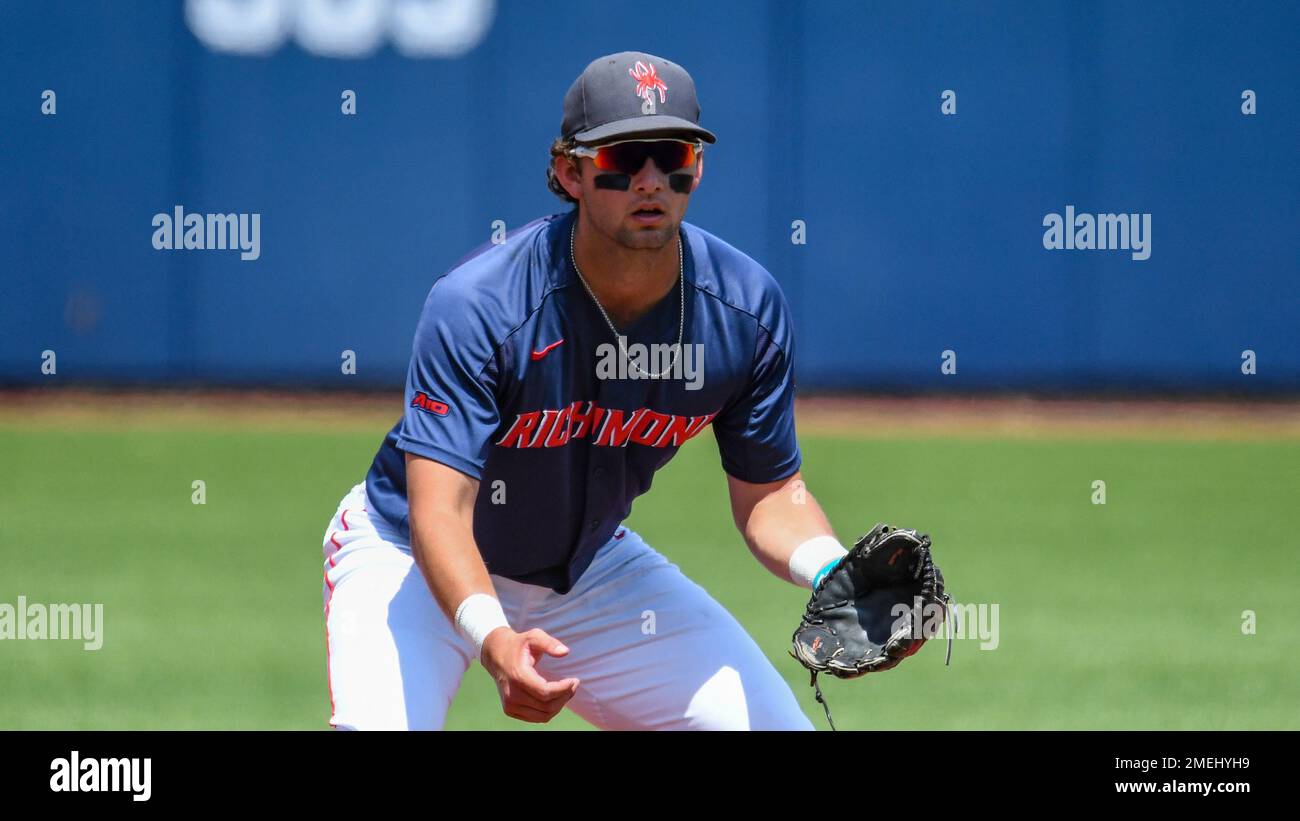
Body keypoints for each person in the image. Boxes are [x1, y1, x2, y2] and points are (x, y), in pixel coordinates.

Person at [321, 51, 851, 730]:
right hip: (412, 560)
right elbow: (439, 513)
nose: (651, 179)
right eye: (623, 157)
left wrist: (833, 569)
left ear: (699, 165)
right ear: (571, 171)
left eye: (673, 154)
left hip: (586, 572)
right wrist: (493, 635)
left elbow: (771, 495)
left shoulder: (742, 310)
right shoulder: (482, 306)